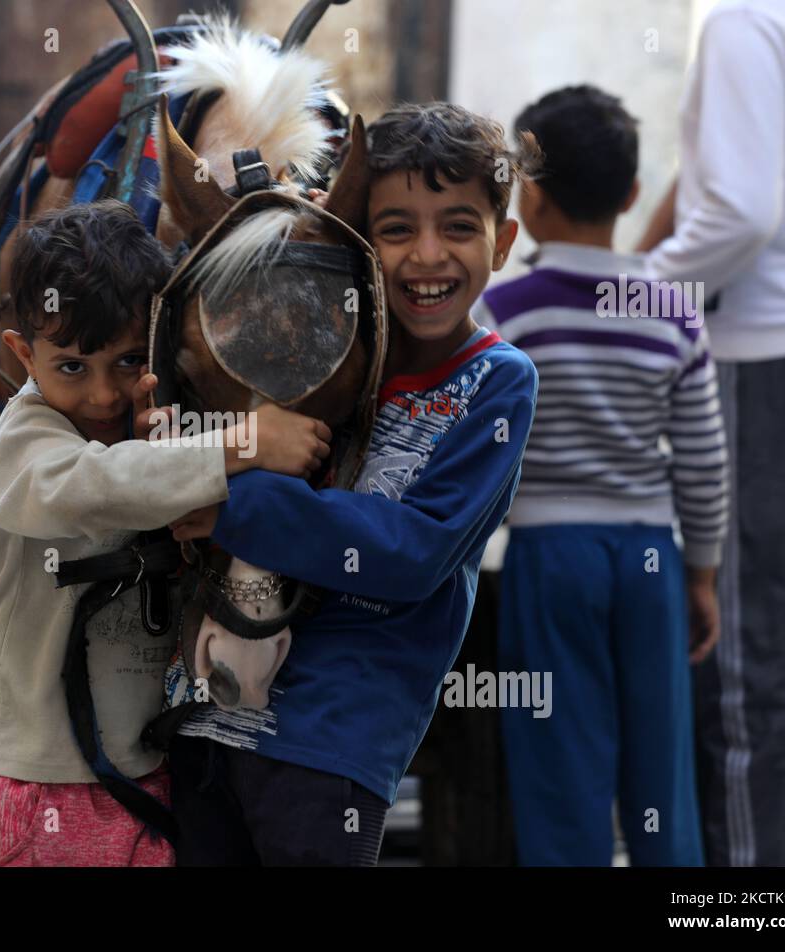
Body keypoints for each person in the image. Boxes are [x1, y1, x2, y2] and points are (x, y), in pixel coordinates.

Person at [161, 103, 539, 866]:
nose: (427, 257)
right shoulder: (316, 341)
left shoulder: (496, 383)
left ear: (501, 242)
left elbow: (411, 553)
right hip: (199, 725)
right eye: (396, 230)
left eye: (458, 227)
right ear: (358, 240)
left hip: (333, 748)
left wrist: (229, 499)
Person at [0, 199, 330, 866]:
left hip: (139, 780)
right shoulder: (28, 435)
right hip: (36, 782)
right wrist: (245, 443)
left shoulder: (153, 433)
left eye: (126, 363)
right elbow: (92, 485)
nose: (101, 394)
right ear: (20, 353)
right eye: (72, 366)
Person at [473, 84, 728, 865]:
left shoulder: (503, 313)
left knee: (561, 766)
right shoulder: (675, 313)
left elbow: (483, 443)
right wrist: (703, 574)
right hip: (652, 557)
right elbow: (705, 457)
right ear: (631, 195)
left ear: (532, 198)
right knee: (662, 767)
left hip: (552, 559)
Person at [639, 0, 785, 867]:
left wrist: (635, 293)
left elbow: (738, 213)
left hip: (766, 359)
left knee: (747, 675)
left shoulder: (742, 18)